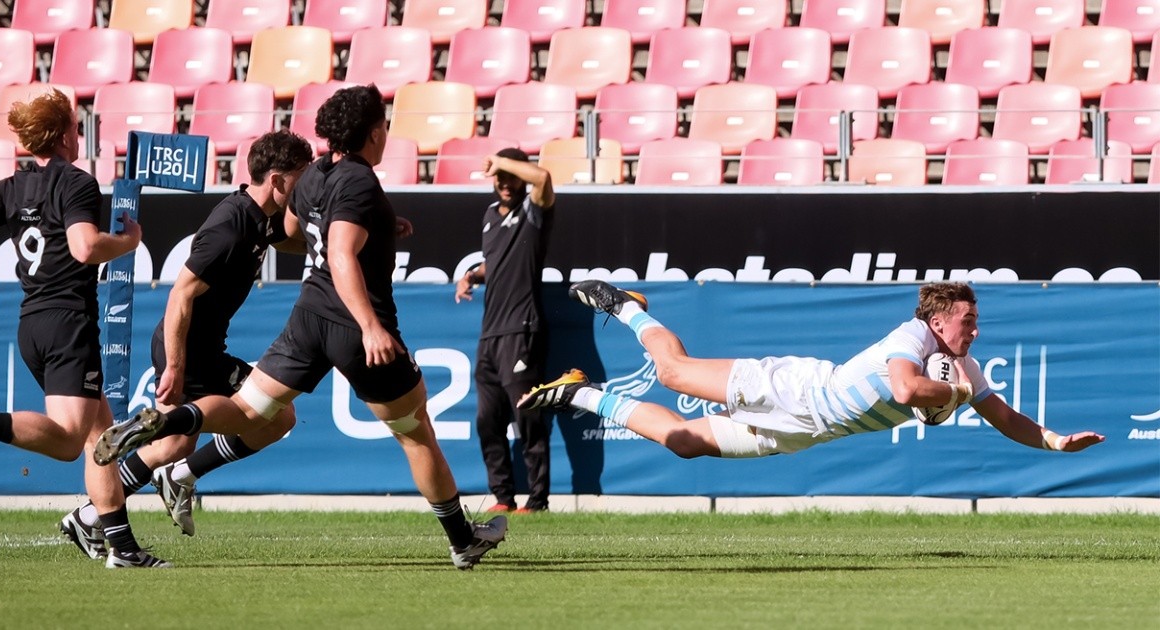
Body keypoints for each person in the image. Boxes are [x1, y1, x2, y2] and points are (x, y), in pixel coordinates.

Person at [92, 84, 508, 570]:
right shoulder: (358, 181)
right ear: (375, 133)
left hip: (306, 320)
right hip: (352, 325)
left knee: (250, 414)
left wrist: (380, 226)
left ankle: (168, 421)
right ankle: (462, 540)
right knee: (415, 434)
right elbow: (339, 251)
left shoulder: (314, 179)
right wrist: (371, 326)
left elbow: (298, 233)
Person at [59, 130, 314, 555]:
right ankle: (174, 479)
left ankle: (90, 516)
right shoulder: (231, 225)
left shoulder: (260, 218)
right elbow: (181, 294)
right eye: (301, 177)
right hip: (188, 348)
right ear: (277, 179)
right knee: (277, 415)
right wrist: (175, 368)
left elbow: (289, 239)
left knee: (174, 443)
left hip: (205, 347)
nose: (306, 185)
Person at [520, 280, 1106, 461]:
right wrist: (951, 394)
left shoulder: (964, 366)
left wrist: (1054, 440)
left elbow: (1003, 415)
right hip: (794, 386)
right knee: (672, 372)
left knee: (684, 442)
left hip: (806, 428)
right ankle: (625, 306)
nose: (975, 329)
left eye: (976, 321)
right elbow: (907, 387)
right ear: (939, 319)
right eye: (968, 320)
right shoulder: (914, 335)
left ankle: (579, 395)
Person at [0, 89, 169, 568]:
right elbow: (84, 248)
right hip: (68, 322)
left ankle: (123, 547)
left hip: (31, 322)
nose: (80, 134)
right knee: (71, 439)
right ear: (64, 134)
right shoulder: (76, 182)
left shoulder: (9, 187)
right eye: (76, 126)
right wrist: (128, 241)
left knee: (102, 437)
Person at [454, 148, 555, 513]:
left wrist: (500, 162)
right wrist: (471, 276)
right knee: (486, 421)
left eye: (509, 176)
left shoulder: (533, 211)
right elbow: (494, 262)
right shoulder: (489, 216)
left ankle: (539, 500)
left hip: (521, 330)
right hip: (490, 336)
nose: (504, 184)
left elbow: (542, 178)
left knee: (527, 417)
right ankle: (502, 498)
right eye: (498, 178)